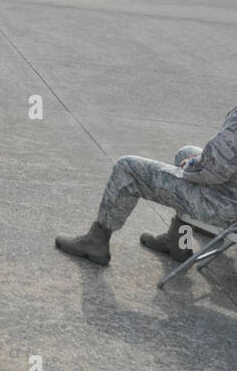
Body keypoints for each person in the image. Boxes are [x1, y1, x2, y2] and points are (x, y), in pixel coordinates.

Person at [56, 106, 237, 266]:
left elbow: (213, 169)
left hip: (223, 209)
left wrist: (190, 165)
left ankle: (96, 240)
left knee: (127, 168)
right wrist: (193, 161)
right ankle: (179, 240)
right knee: (186, 153)